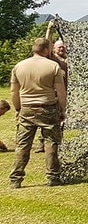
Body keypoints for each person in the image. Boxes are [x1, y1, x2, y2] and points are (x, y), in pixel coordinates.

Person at [9, 37, 68, 188]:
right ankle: (53, 177)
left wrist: (18, 108)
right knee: (51, 143)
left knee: (23, 144)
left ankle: (16, 179)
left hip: (27, 108)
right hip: (48, 107)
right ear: (47, 50)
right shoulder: (53, 67)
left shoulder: (19, 66)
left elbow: (14, 92)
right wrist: (63, 109)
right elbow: (61, 92)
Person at [35, 20, 69, 154]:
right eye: (59, 47)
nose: (62, 49)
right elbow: (46, 43)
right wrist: (49, 29)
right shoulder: (52, 59)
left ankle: (57, 143)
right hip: (51, 95)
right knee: (45, 120)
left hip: (64, 93)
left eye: (63, 47)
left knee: (61, 120)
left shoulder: (67, 60)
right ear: (53, 49)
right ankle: (41, 143)